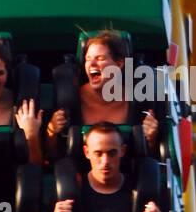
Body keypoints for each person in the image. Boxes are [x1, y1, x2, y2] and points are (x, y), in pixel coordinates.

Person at [40, 123, 163, 212]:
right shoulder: (66, 193)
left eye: (112, 153)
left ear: (122, 151)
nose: (105, 162)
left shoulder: (140, 194)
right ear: (86, 152)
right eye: (98, 153)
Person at [45, 31, 158, 159]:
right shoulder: (69, 102)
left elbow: (151, 159)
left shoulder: (138, 102)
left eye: (100, 58)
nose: (91, 64)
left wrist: (151, 138)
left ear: (119, 64)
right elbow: (53, 158)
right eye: (88, 59)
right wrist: (52, 131)